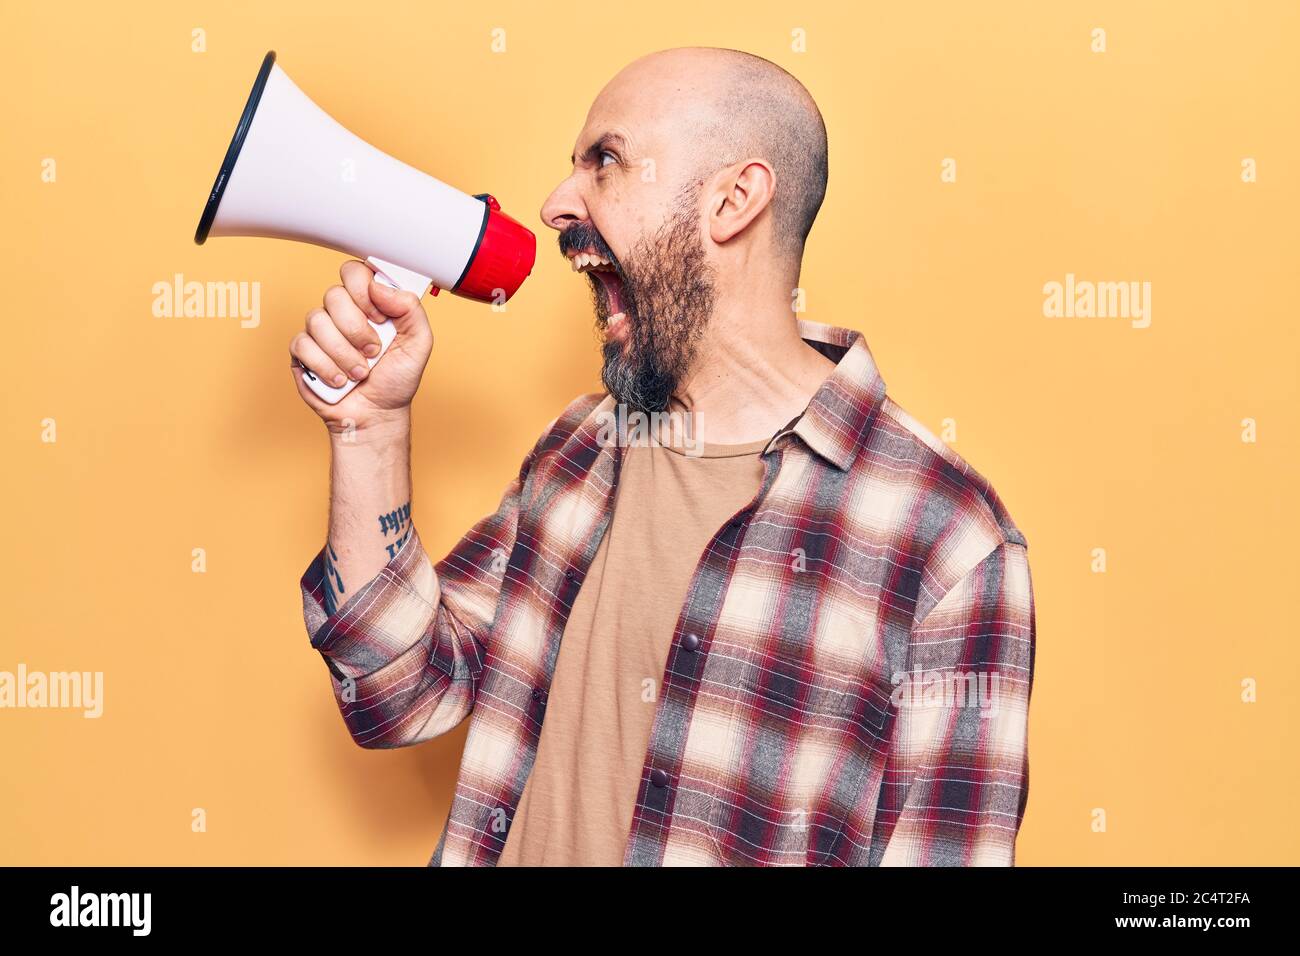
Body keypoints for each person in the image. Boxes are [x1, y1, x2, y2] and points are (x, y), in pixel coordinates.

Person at [290, 47, 1036, 866]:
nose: (553, 204)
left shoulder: (948, 541)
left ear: (733, 200)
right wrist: (369, 430)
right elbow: (399, 695)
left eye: (604, 161)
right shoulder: (580, 448)